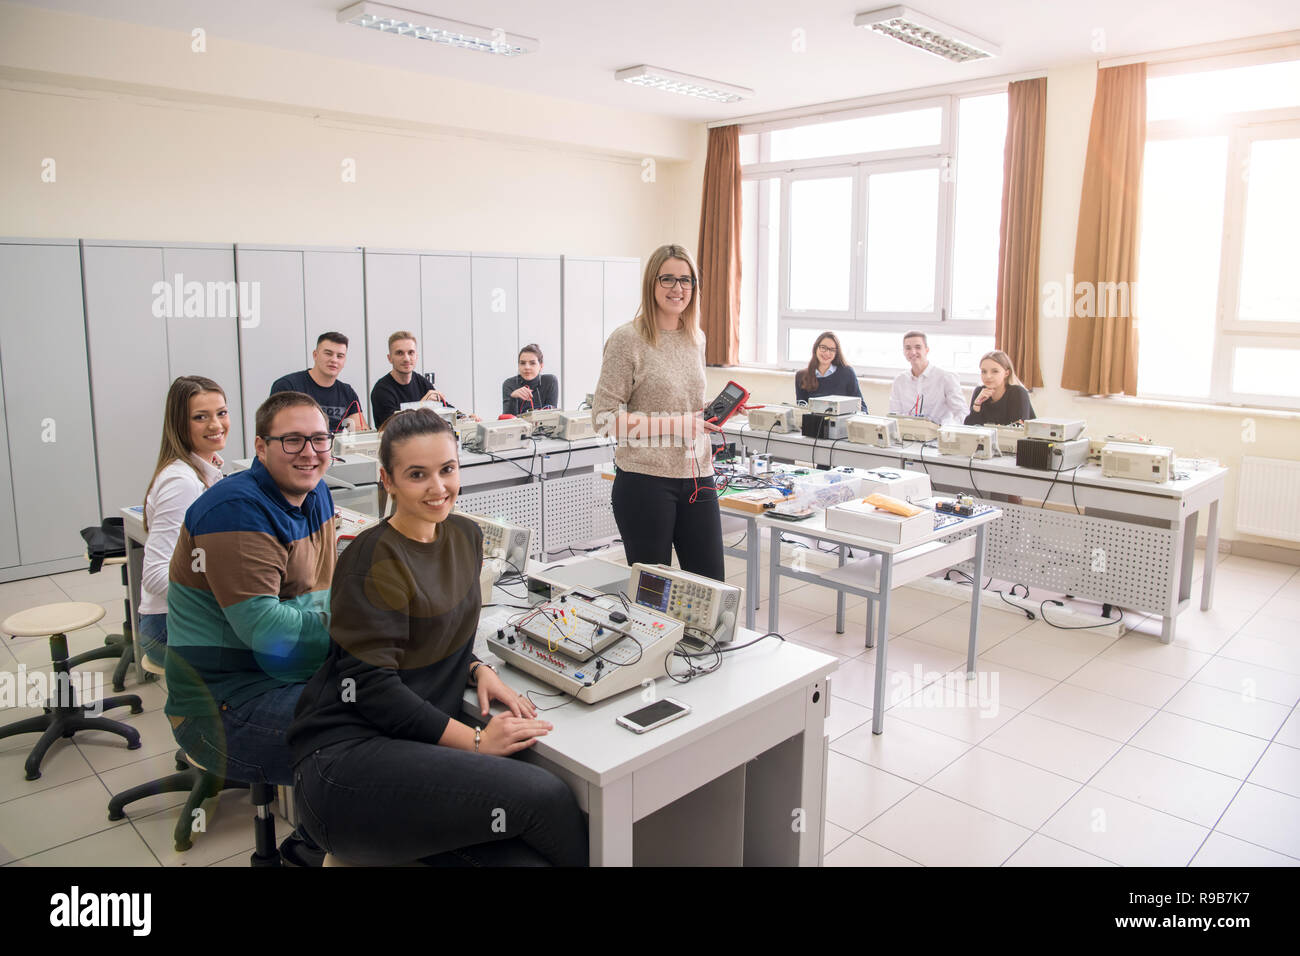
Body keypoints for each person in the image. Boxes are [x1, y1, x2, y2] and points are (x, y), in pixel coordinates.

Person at [288, 409, 588, 866]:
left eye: (447, 470)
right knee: (544, 796)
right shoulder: (373, 560)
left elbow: (438, 632)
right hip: (346, 762)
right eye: (417, 475)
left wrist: (474, 667)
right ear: (387, 480)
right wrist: (475, 742)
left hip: (412, 748)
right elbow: (373, 689)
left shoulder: (464, 536)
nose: (438, 488)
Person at [165, 391, 335, 793]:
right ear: (261, 447)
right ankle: (312, 847)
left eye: (319, 439)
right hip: (223, 706)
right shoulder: (236, 510)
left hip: (287, 674)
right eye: (292, 440)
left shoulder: (316, 490)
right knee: (370, 733)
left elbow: (328, 590)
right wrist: (363, 623)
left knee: (401, 697)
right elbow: (271, 634)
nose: (309, 453)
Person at [591, 244, 724, 581]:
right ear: (651, 283)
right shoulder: (627, 339)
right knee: (654, 596)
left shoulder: (696, 338)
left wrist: (701, 418)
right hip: (645, 482)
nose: (678, 289)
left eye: (686, 280)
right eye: (668, 279)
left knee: (711, 588)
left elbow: (683, 403)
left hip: (697, 475)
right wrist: (677, 424)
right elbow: (604, 419)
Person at [138, 376, 229, 668]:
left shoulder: (206, 470)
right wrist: (223, 593)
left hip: (181, 619)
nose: (216, 425)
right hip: (167, 629)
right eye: (201, 417)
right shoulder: (182, 481)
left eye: (221, 413)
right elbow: (154, 576)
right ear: (180, 424)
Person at [270, 332, 365, 432]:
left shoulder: (347, 392)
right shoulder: (287, 386)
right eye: (328, 354)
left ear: (344, 360)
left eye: (340, 356)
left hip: (334, 446)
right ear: (315, 355)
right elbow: (276, 428)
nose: (334, 360)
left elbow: (359, 431)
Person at [887, 331, 967, 425]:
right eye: (908, 348)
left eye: (918, 347)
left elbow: (962, 412)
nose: (913, 352)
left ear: (927, 350)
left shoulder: (946, 377)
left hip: (939, 434)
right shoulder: (900, 380)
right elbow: (894, 414)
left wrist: (949, 430)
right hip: (907, 434)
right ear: (904, 352)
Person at [370, 331, 444, 428]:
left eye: (411, 353)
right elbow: (393, 427)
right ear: (390, 358)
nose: (406, 359)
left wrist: (464, 417)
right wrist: (422, 405)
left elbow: (445, 406)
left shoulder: (421, 381)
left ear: (416, 356)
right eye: (400, 353)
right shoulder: (381, 390)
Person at [964, 350, 1036, 426]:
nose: (988, 376)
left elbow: (1018, 427)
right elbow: (969, 429)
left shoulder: (1018, 393)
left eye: (995, 371)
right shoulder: (979, 391)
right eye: (984, 371)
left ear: (1006, 373)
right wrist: (977, 405)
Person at [794, 331, 864, 406]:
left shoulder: (847, 372)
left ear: (836, 353)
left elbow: (860, 405)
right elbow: (801, 408)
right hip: (813, 418)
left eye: (832, 349)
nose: (827, 353)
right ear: (815, 348)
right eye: (823, 348)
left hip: (843, 418)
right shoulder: (801, 376)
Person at [501, 343, 559, 415]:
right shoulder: (509, 384)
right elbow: (507, 422)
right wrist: (513, 398)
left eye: (532, 363)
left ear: (541, 366)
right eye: (522, 363)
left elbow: (552, 416)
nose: (527, 367)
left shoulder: (550, 381)